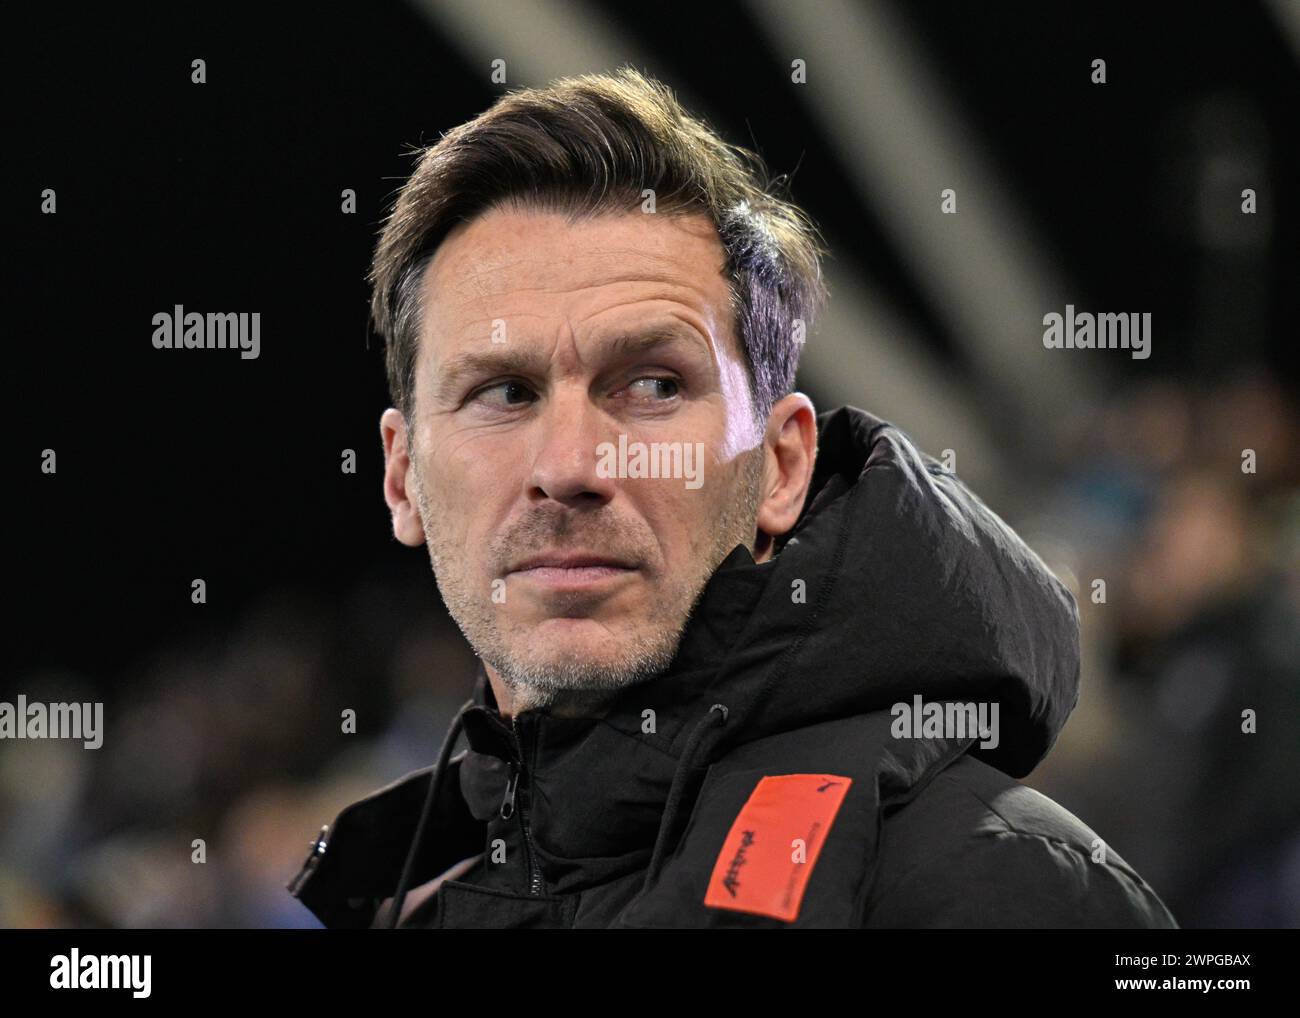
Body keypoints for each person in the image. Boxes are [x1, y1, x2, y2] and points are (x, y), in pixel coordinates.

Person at [287, 68, 1177, 929]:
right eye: (505, 393)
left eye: (651, 386)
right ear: (403, 478)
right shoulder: (427, 900)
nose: (567, 465)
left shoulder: (1004, 886)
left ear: (781, 467)